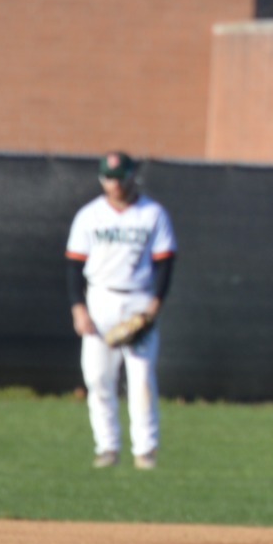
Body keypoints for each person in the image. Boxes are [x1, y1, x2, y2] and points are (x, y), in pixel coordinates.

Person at [65, 151, 175, 471]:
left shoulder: (152, 214)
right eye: (108, 177)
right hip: (99, 299)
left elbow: (166, 262)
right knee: (98, 378)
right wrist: (78, 308)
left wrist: (154, 305)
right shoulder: (89, 216)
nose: (114, 183)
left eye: (119, 177)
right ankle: (107, 447)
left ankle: (145, 451)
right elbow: (74, 265)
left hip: (138, 299)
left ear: (131, 176)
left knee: (140, 378)